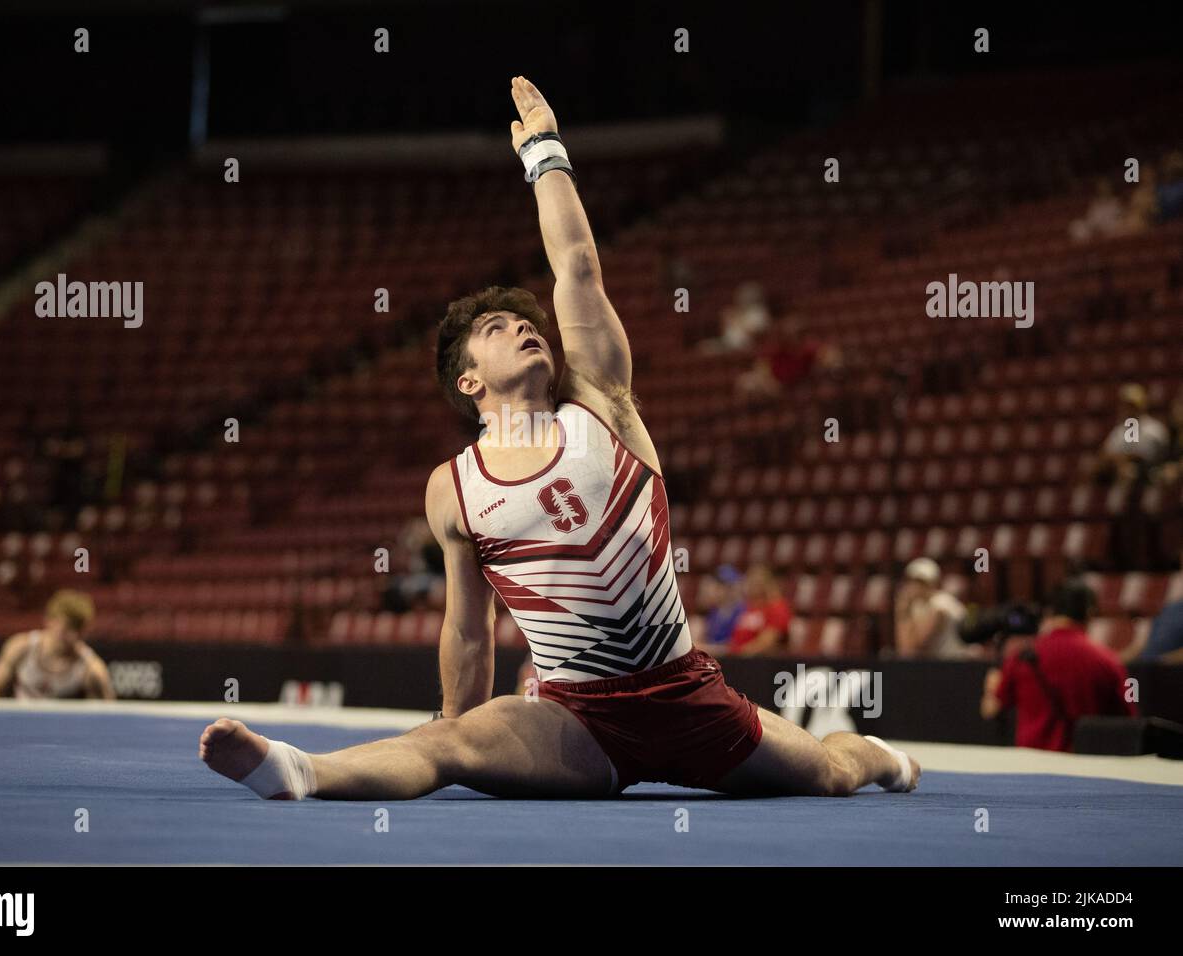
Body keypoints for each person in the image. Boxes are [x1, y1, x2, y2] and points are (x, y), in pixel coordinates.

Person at [200, 76, 919, 801]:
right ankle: (297, 769)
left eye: (525, 321)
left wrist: (545, 150)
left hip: (689, 698)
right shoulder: (454, 487)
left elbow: (576, 265)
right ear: (469, 383)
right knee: (442, 742)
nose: (522, 327)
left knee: (829, 774)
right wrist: (462, 735)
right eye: (496, 330)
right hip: (578, 724)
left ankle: (881, 757)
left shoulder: (601, 403)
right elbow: (469, 629)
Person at [980, 579, 1137, 752]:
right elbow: (1128, 720)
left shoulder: (1020, 657)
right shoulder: (1108, 662)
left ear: (1051, 612)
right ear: (1090, 612)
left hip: (1028, 766)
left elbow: (991, 709)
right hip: (1086, 768)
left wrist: (991, 687)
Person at [0, 589, 115, 700]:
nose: (73, 637)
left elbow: (107, 718)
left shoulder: (91, 670)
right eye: (66, 629)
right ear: (50, 621)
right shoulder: (20, 648)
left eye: (78, 630)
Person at [894, 557, 975, 659]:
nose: (913, 587)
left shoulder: (941, 604)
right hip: (945, 664)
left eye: (920, 582)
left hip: (961, 663)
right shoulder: (919, 606)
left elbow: (911, 650)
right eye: (911, 581)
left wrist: (903, 612)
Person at [726, 565, 792, 656]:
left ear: (768, 585)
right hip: (737, 660)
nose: (752, 586)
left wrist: (737, 653)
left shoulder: (778, 608)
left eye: (757, 582)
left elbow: (766, 643)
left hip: (762, 662)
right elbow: (733, 639)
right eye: (750, 581)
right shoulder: (744, 608)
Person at [694, 564, 746, 654]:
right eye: (717, 586)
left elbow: (735, 646)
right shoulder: (714, 612)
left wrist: (704, 647)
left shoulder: (742, 611)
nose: (716, 590)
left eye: (721, 586)